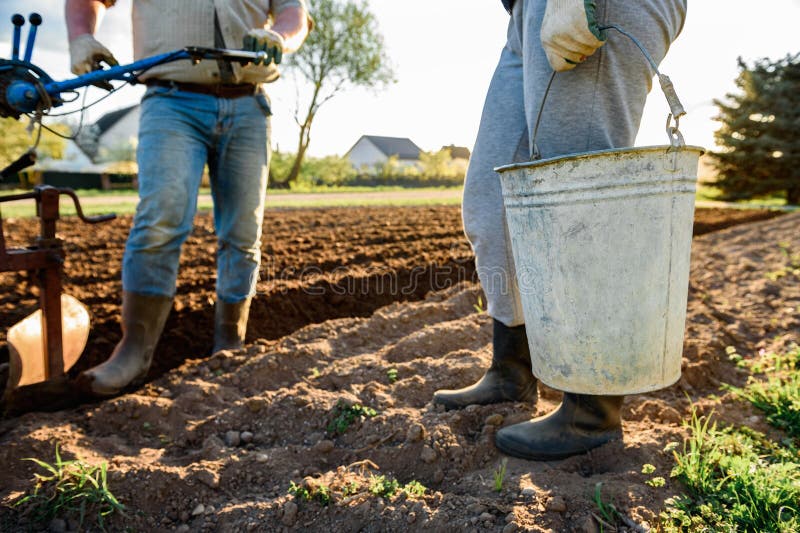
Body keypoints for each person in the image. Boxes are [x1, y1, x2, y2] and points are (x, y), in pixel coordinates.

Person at [433, 0, 687, 460]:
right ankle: (512, 371)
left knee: (577, 201)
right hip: (525, 15)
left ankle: (593, 413)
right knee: (493, 203)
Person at [65, 0, 312, 396]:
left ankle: (230, 343)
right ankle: (133, 353)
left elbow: (294, 13)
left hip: (249, 102)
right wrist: (81, 37)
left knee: (243, 232)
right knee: (162, 217)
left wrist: (278, 36)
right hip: (171, 100)